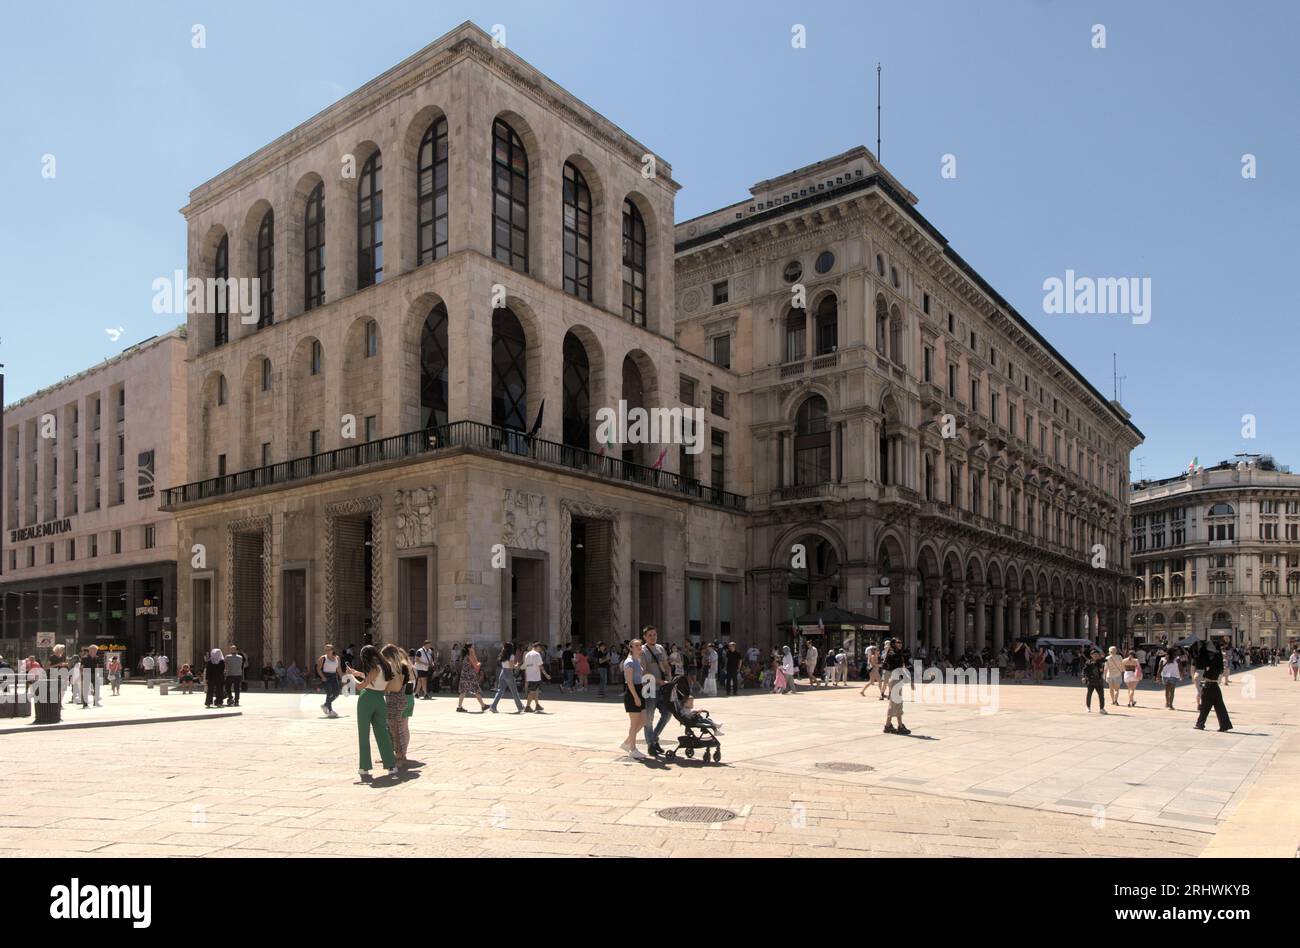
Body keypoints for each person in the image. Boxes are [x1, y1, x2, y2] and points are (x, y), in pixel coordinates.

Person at [348, 645, 399, 780]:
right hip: (380, 700)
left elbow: (360, 686)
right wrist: (357, 673)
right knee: (382, 733)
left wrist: (350, 677)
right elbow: (375, 678)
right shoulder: (386, 666)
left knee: (364, 734)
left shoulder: (374, 668)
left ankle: (364, 767)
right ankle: (391, 765)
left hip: (367, 699)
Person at [381, 644, 415, 769]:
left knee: (399, 728)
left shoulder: (402, 666)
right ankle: (395, 754)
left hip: (399, 699)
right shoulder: (393, 667)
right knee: (392, 728)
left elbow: (398, 686)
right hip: (391, 699)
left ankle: (401, 755)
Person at [640, 626, 673, 755]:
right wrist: (659, 681)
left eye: (654, 634)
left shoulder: (660, 648)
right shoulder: (642, 651)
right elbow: (644, 671)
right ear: (645, 637)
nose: (653, 637)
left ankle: (653, 739)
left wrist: (669, 676)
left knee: (667, 713)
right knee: (649, 718)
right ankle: (651, 745)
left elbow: (665, 664)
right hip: (649, 688)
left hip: (663, 688)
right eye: (650, 635)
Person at [1194, 641, 1233, 733]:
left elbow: (1200, 662)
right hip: (1215, 685)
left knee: (1205, 706)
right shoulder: (1219, 660)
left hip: (1208, 684)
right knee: (1220, 706)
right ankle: (1225, 725)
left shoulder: (1210, 660)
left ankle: (1200, 724)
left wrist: (1201, 688)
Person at [620, 638, 648, 759]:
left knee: (644, 720)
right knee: (634, 723)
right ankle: (632, 749)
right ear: (630, 648)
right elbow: (629, 682)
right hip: (632, 693)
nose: (639, 647)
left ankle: (627, 742)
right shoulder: (629, 662)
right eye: (636, 645)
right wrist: (636, 697)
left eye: (640, 645)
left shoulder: (637, 660)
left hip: (639, 690)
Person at [489, 642, 524, 713]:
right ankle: (520, 707)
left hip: (502, 672)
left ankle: (493, 706)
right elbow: (511, 667)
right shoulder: (511, 656)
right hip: (508, 673)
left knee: (500, 691)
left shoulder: (502, 655)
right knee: (514, 691)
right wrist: (517, 665)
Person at [883, 650, 910, 735]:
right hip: (896, 682)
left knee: (892, 704)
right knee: (897, 704)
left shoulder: (890, 661)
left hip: (894, 682)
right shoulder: (895, 661)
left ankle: (888, 725)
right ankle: (900, 726)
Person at [457, 643, 487, 712]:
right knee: (476, 690)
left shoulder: (465, 656)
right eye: (472, 647)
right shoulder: (470, 656)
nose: (473, 648)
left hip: (464, 675)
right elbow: (476, 666)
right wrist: (480, 663)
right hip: (470, 676)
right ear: (469, 649)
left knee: (463, 691)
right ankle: (483, 706)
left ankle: (459, 707)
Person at [317, 644, 345, 718]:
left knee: (336, 693)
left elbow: (338, 669)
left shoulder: (337, 658)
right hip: (326, 677)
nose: (327, 651)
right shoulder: (322, 658)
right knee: (330, 693)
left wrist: (342, 678)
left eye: (328, 650)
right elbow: (318, 669)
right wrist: (322, 677)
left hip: (334, 677)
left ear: (332, 650)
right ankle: (330, 711)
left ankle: (325, 705)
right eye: (325, 650)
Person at [522, 642, 549, 712]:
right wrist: (546, 674)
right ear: (537, 647)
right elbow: (541, 666)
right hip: (535, 676)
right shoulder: (537, 654)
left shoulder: (527, 654)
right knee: (532, 692)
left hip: (530, 675)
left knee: (536, 691)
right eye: (540, 648)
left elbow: (526, 665)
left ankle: (537, 705)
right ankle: (527, 706)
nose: (540, 649)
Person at [1081, 648, 1108, 714]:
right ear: (1091, 655)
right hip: (1091, 681)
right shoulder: (1088, 662)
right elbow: (1084, 670)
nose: (1096, 655)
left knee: (1101, 695)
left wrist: (1101, 656)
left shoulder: (1101, 661)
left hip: (1099, 681)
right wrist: (1084, 677)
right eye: (1094, 654)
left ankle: (1101, 708)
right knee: (1089, 694)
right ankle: (1088, 707)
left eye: (1097, 654)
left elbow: (1105, 659)